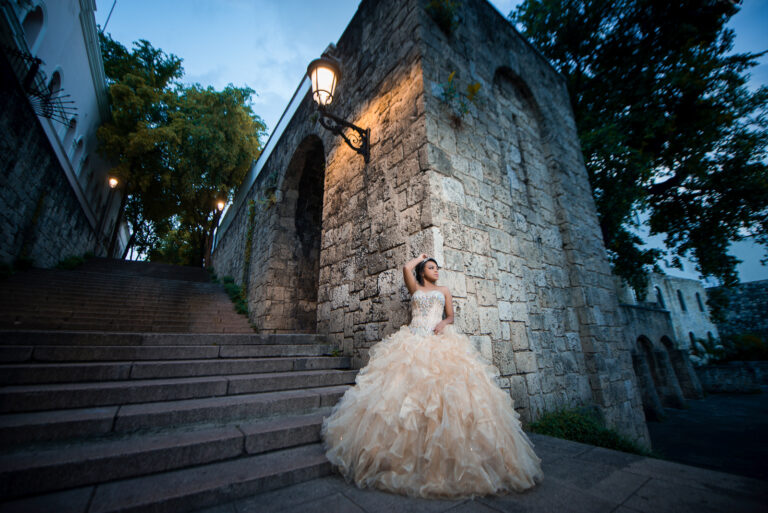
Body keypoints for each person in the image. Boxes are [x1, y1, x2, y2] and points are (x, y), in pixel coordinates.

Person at [321, 253, 543, 499]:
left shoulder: (444, 290)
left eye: (437, 267)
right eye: (431, 267)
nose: (436, 270)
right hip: (412, 341)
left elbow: (450, 315)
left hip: (438, 341)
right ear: (422, 271)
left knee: (444, 397)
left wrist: (444, 324)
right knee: (402, 396)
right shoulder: (414, 286)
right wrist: (420, 257)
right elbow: (406, 267)